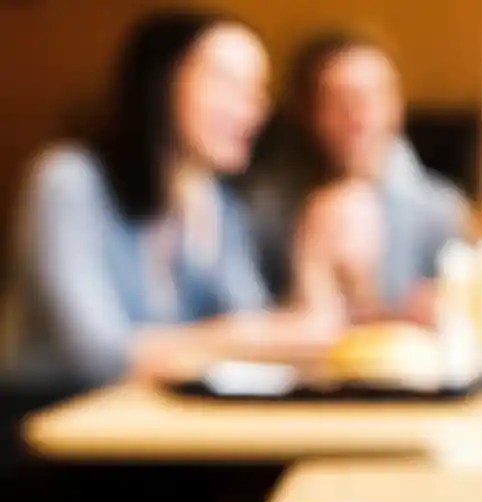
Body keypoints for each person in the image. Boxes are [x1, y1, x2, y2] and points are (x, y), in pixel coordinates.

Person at [1, 11, 326, 387]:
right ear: (162, 80)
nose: (255, 107)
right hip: (45, 422)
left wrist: (312, 259)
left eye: (258, 88)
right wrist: (239, 335)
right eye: (228, 82)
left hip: (146, 423)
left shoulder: (215, 202)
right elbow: (101, 357)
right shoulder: (69, 182)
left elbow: (258, 328)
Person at [249, 32, 468, 325]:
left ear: (397, 105)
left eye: (374, 95)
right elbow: (251, 318)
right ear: (309, 112)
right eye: (338, 99)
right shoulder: (265, 209)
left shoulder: (439, 209)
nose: (357, 114)